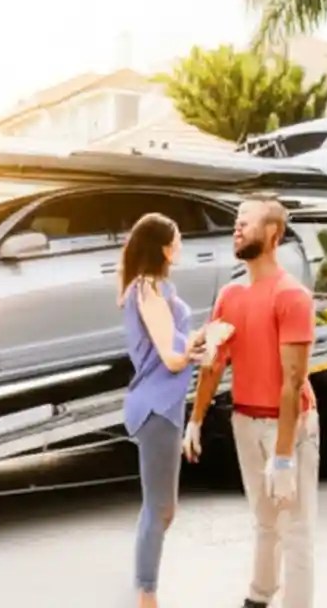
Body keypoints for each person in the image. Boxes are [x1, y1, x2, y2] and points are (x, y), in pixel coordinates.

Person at [185, 195, 320, 608]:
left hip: (290, 426)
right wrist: (196, 419)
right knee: (264, 521)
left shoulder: (291, 296)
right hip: (244, 420)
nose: (237, 228)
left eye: (247, 222)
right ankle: (259, 598)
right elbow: (213, 362)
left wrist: (282, 457)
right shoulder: (229, 295)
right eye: (236, 223)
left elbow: (293, 379)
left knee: (295, 529)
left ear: (273, 234)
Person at [118, 212, 206, 608]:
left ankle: (145, 590)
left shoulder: (157, 288)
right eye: (178, 239)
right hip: (156, 405)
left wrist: (199, 342)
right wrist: (193, 348)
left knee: (162, 508)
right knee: (160, 507)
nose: (182, 245)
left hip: (163, 403)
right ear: (165, 248)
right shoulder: (148, 288)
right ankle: (146, 596)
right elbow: (171, 358)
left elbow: (174, 348)